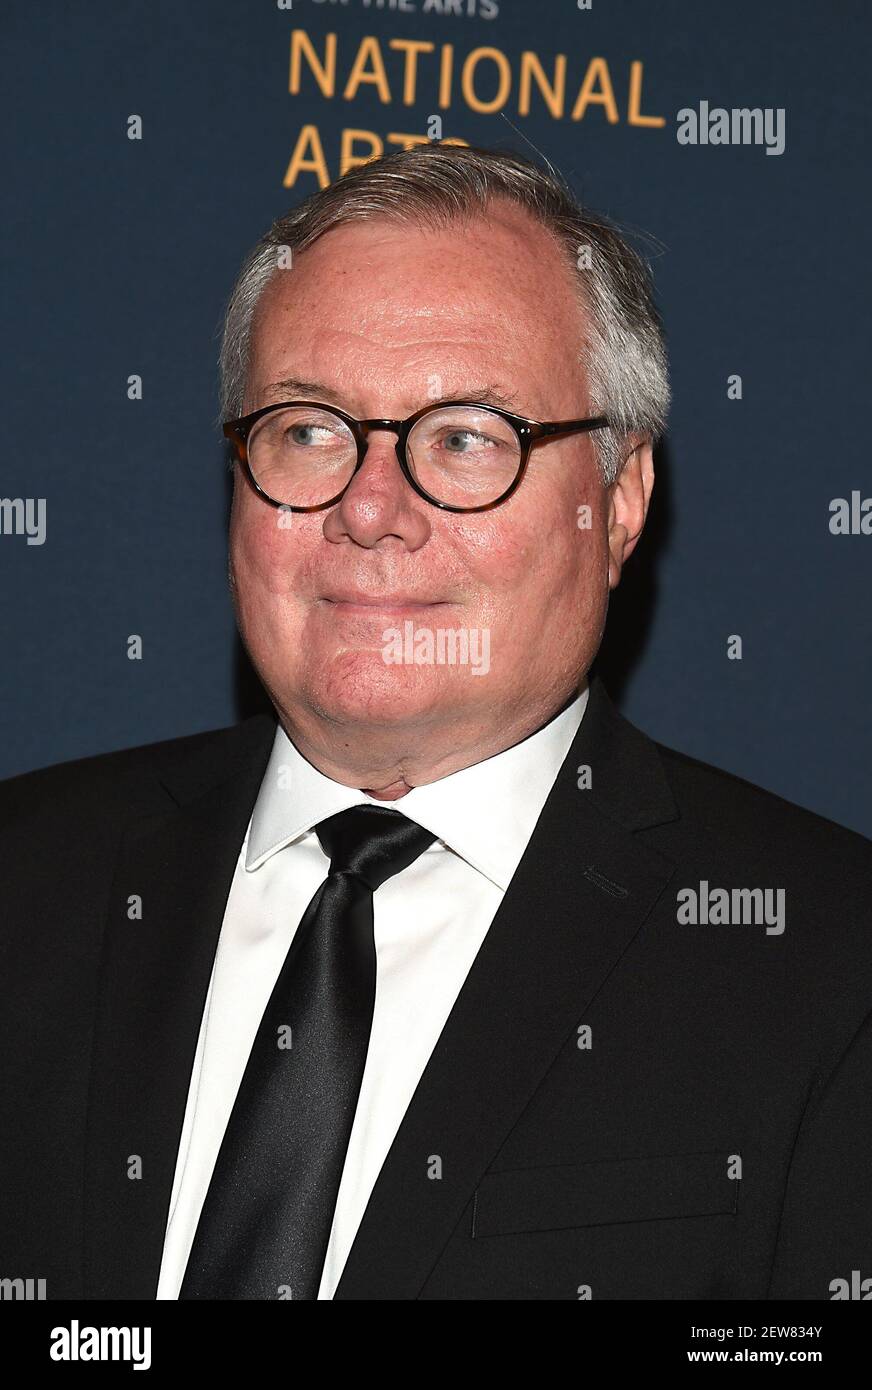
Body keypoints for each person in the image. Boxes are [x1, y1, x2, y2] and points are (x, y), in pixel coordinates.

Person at [2, 145, 870, 1302]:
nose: (367, 509)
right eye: (308, 428)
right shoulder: (27, 881)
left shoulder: (824, 963)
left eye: (465, 437)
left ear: (615, 503)